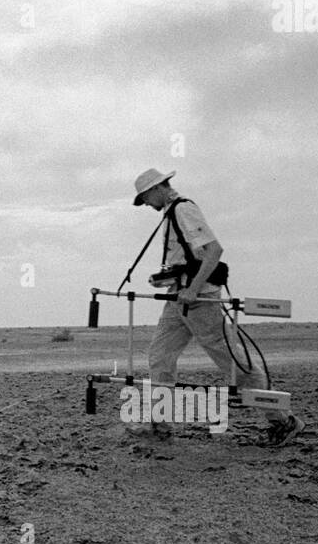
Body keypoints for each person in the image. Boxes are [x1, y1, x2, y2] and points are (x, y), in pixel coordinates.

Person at [129, 168, 305, 447]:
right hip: (180, 299)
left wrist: (193, 289)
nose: (147, 205)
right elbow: (190, 258)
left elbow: (215, 251)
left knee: (233, 362)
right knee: (160, 356)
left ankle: (283, 421)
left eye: (146, 199)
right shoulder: (172, 213)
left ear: (156, 189)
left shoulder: (184, 209)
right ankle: (158, 425)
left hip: (198, 300)